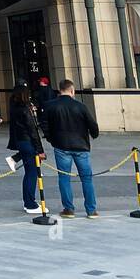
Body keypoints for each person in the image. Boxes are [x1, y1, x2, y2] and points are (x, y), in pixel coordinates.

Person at [44, 79, 100, 218]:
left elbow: (44, 125)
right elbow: (93, 127)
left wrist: (52, 139)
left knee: (64, 178)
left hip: (61, 146)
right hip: (81, 146)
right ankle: (91, 210)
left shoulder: (50, 106)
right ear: (72, 90)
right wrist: (93, 135)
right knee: (87, 179)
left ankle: (69, 209)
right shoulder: (80, 106)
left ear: (59, 90)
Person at [3, 83, 46, 214]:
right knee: (31, 173)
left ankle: (28, 202)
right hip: (28, 141)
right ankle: (30, 204)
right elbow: (33, 130)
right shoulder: (25, 109)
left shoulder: (14, 108)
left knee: (29, 173)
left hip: (21, 141)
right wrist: (40, 150)